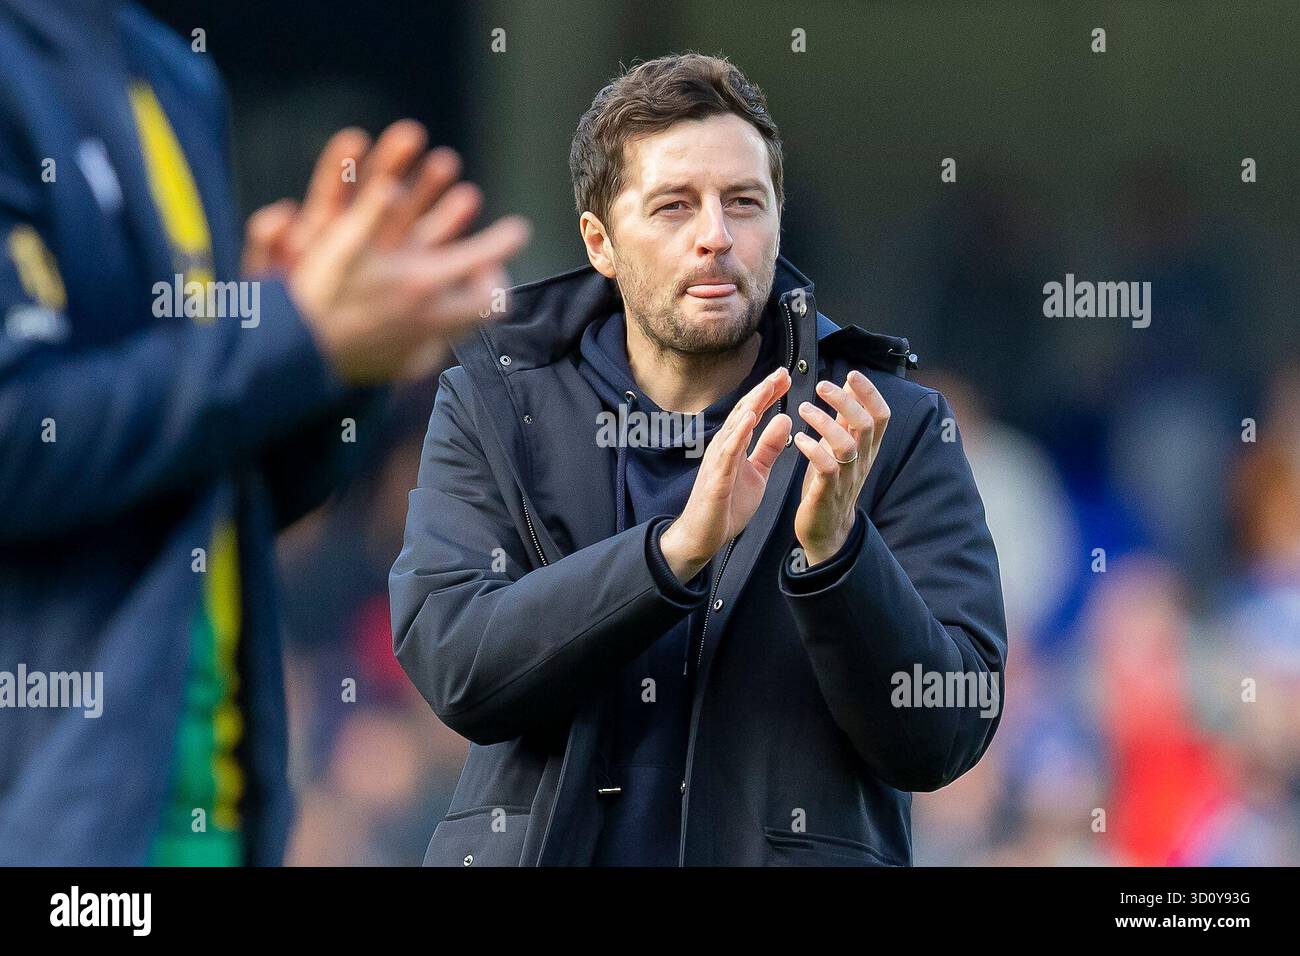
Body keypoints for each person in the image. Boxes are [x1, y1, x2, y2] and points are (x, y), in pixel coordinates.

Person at [390, 53, 1006, 866]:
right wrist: (673, 553)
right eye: (674, 206)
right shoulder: (494, 407)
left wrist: (838, 555)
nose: (715, 236)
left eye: (743, 203)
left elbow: (943, 734)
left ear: (777, 218)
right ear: (600, 242)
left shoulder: (886, 424)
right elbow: (457, 665)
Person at [0, 0, 528, 864]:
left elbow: (194, 487)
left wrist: (320, 361)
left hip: (220, 818)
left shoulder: (172, 73)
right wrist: (290, 333)